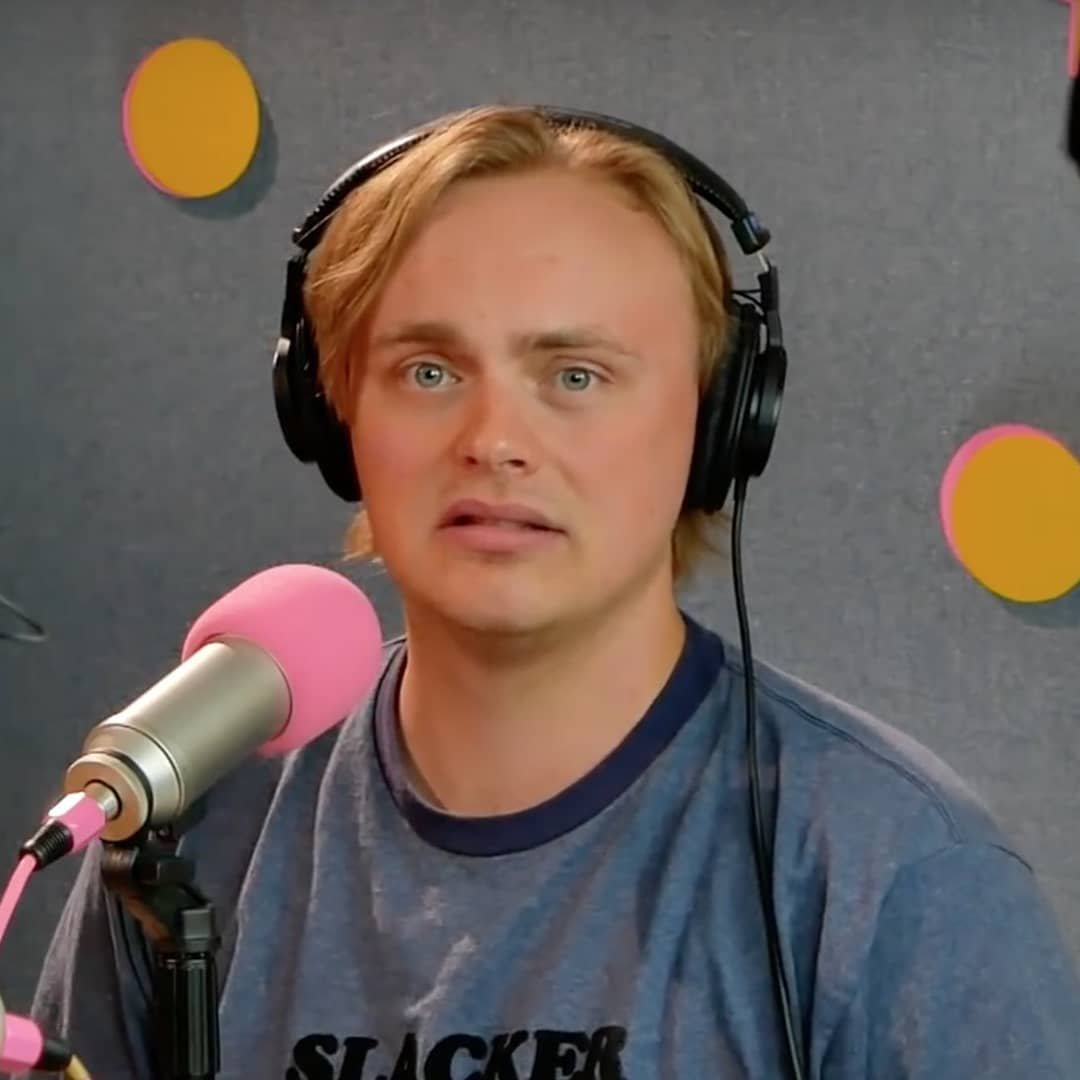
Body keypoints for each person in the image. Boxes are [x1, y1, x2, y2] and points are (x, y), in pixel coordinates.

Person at [31, 104, 1080, 1079]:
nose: (493, 441)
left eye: (576, 376)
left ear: (718, 426)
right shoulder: (189, 838)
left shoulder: (898, 878)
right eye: (429, 371)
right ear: (331, 413)